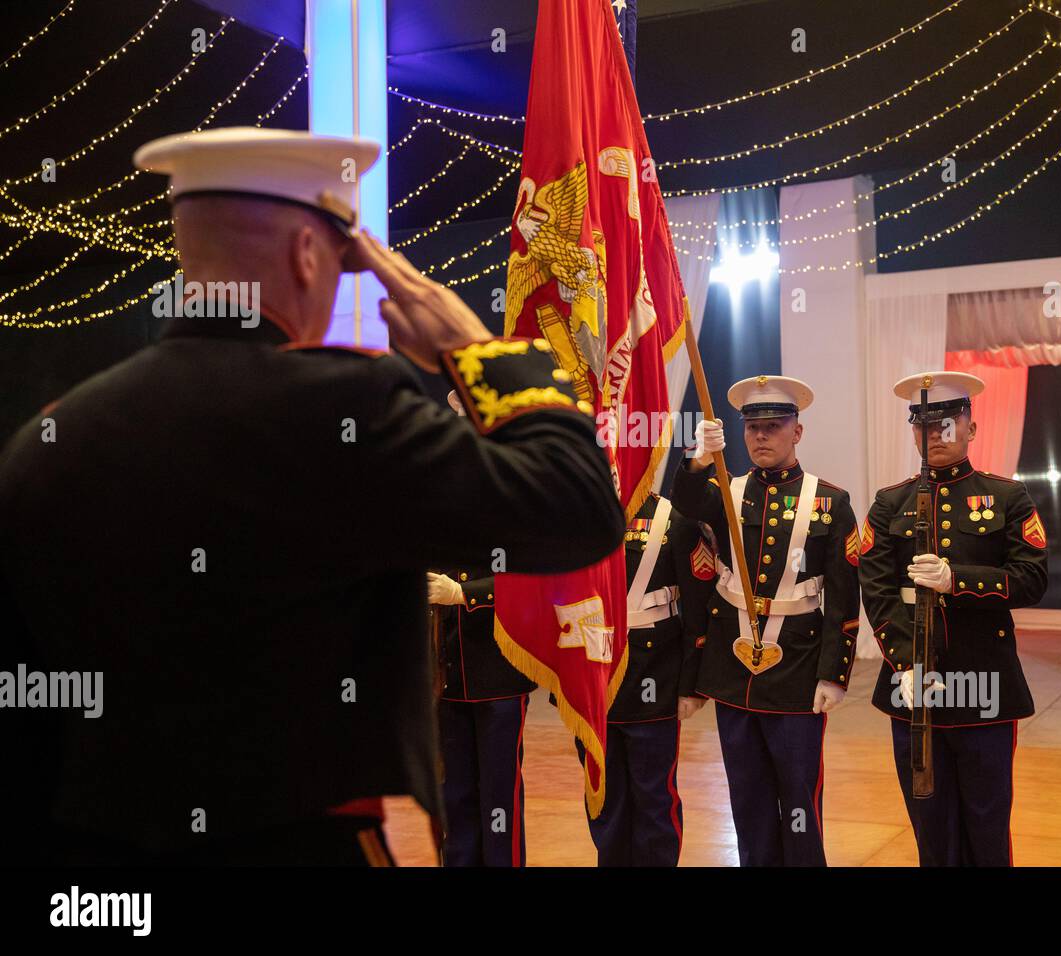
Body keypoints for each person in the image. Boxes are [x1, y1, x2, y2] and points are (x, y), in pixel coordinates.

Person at [0, 127, 624, 866]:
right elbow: (576, 509)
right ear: (306, 254)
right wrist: (479, 350)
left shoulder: (52, 437)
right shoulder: (340, 414)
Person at [858, 372, 1048, 866]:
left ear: (971, 427)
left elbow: (1031, 579)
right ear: (913, 431)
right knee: (930, 828)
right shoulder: (889, 503)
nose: (934, 434)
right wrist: (908, 667)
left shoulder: (1007, 497)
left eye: (947, 423)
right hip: (913, 686)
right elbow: (876, 592)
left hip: (986, 683)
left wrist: (957, 579)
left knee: (986, 825)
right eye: (923, 425)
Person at [672, 375, 860, 866]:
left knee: (799, 800)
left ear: (797, 432)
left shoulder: (830, 503)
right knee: (748, 800)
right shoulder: (727, 493)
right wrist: (696, 461)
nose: (761, 436)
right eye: (753, 428)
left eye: (774, 426)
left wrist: (833, 674)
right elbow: (687, 505)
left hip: (798, 671)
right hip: (734, 675)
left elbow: (843, 597)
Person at [428, 391, 537, 868]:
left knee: (498, 798)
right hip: (446, 669)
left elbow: (534, 574)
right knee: (455, 796)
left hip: (499, 667)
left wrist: (466, 594)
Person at [576, 490, 713, 866]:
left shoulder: (677, 520)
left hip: (655, 673)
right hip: (590, 675)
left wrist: (690, 684)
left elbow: (699, 608)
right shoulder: (578, 513)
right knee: (604, 796)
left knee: (654, 797)